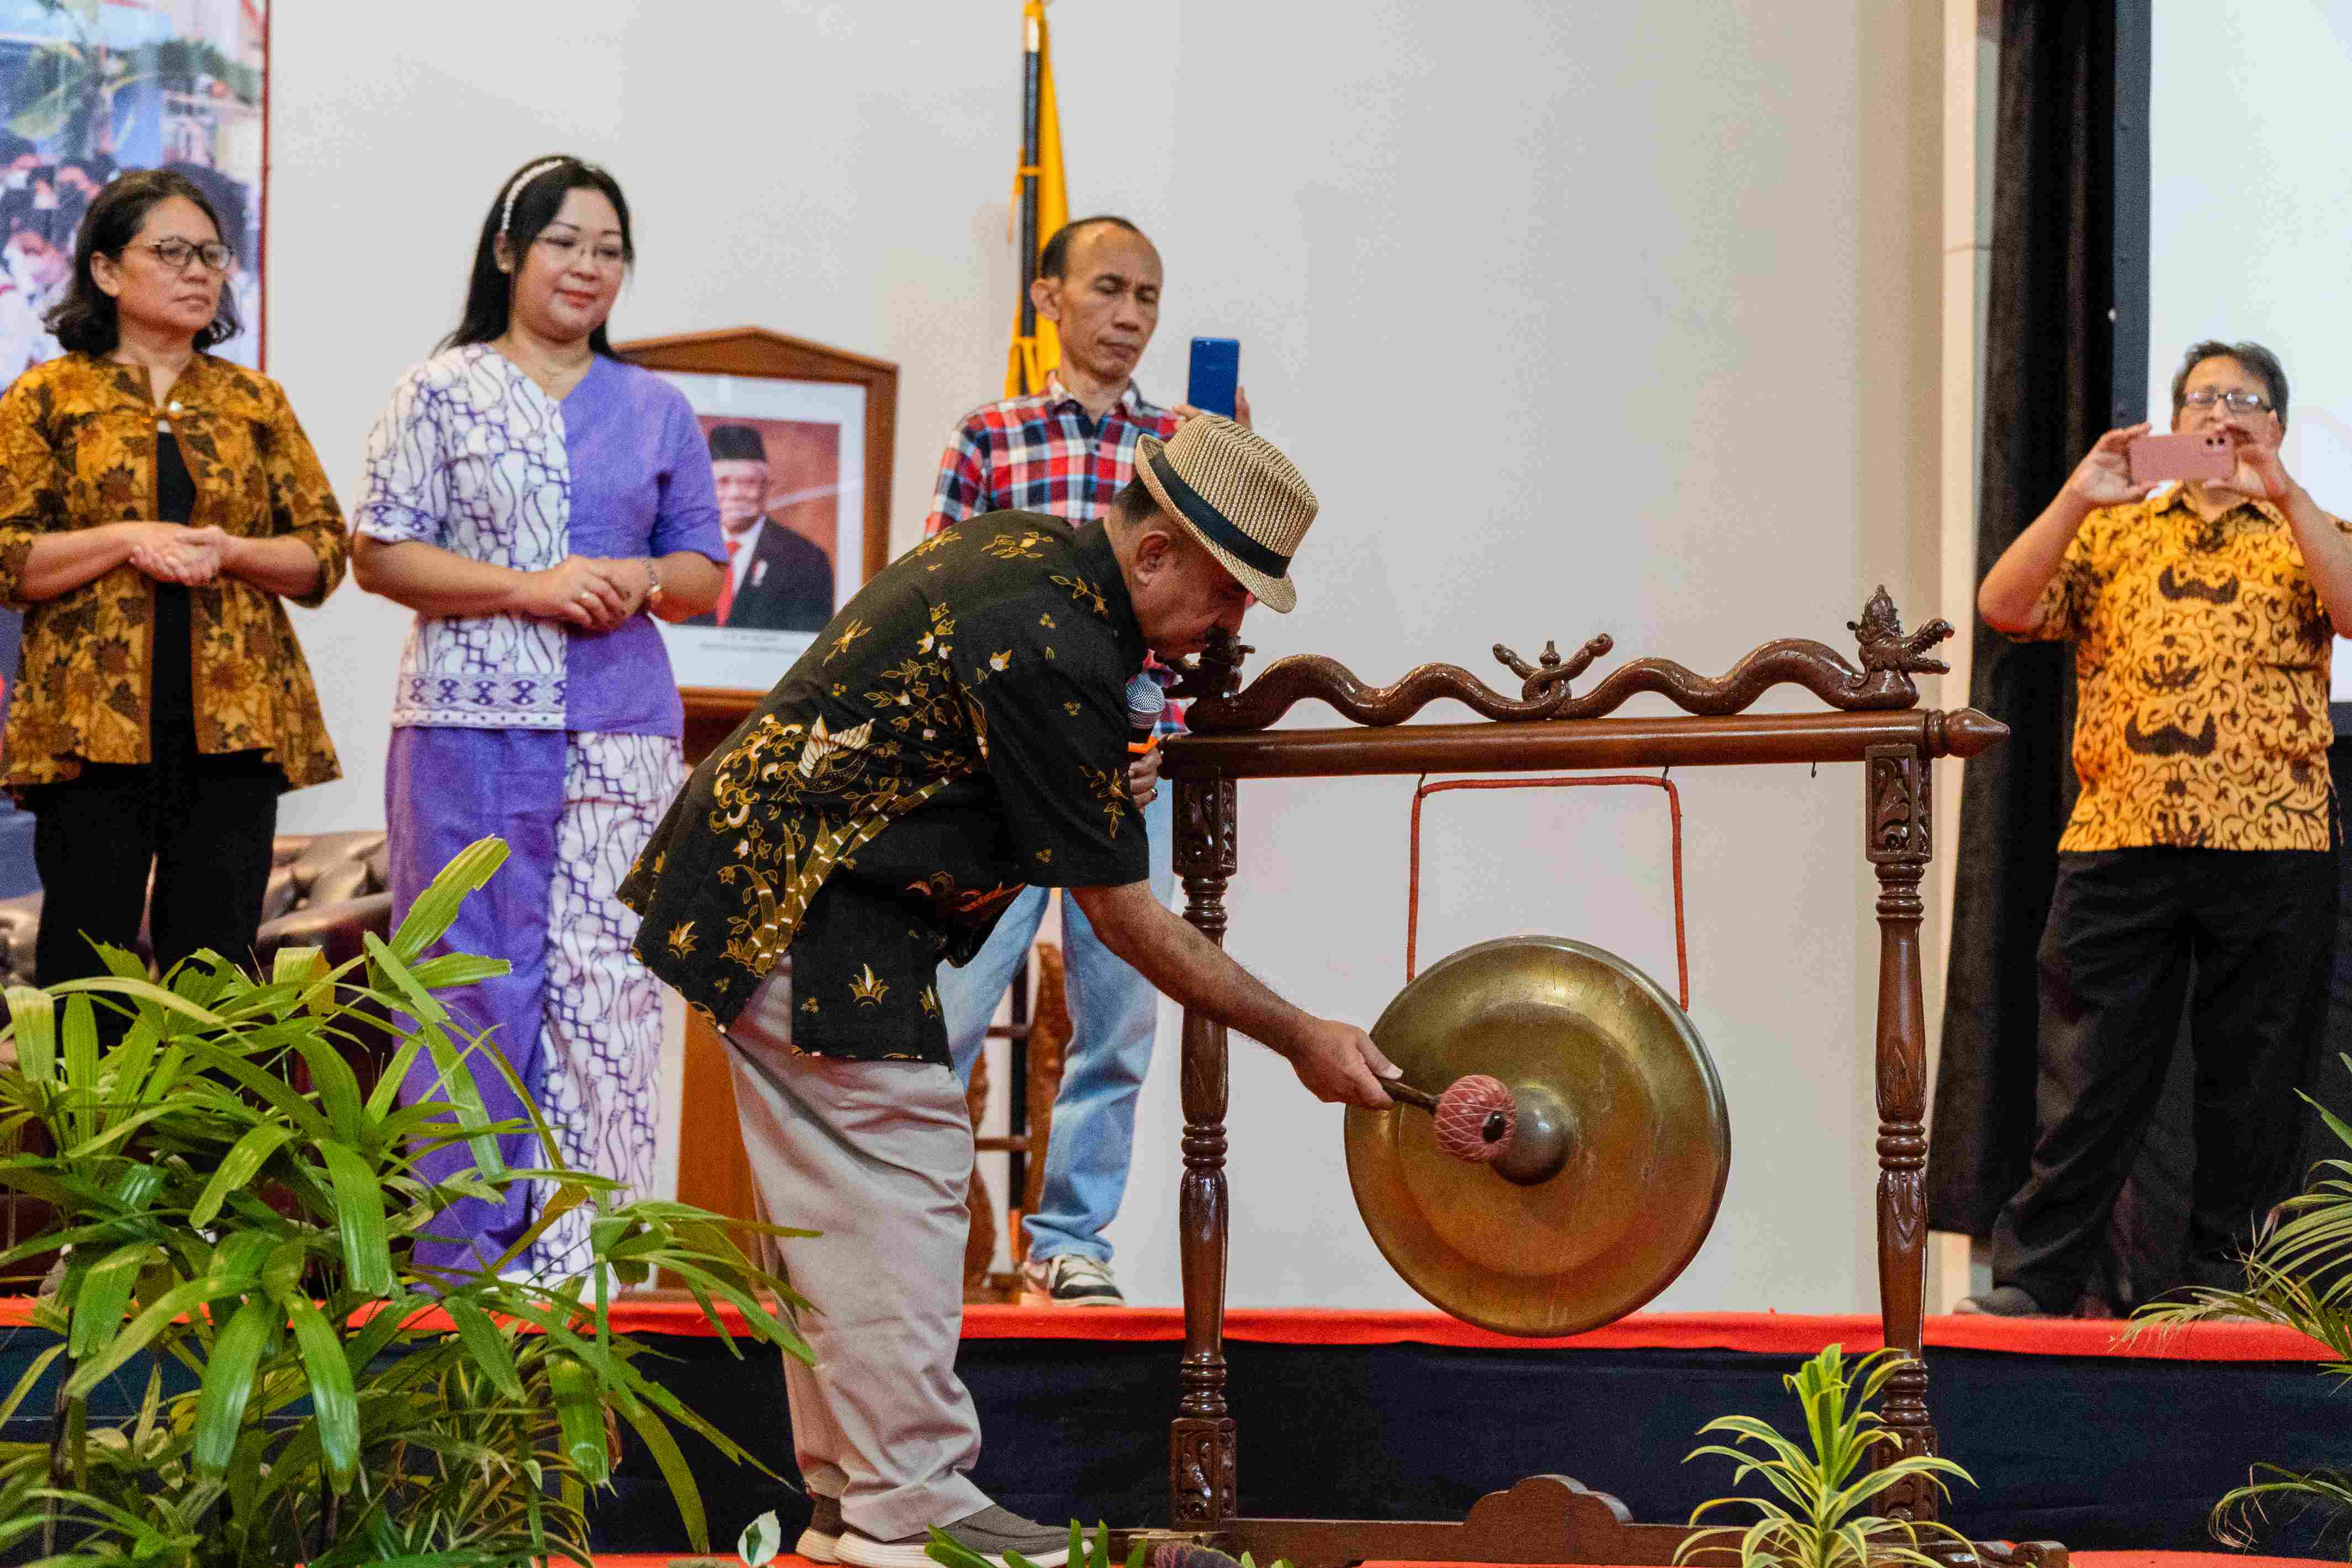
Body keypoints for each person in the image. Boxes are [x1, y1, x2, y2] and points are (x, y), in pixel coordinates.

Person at [621, 415, 1392, 1568]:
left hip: (788, 889)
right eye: (1233, 594)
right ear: (1156, 556)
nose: (1233, 625)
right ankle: (909, 1507)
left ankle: (853, 1506)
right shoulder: (1049, 639)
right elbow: (1121, 913)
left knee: (843, 1209)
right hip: (812, 903)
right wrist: (1304, 1037)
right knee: (905, 1178)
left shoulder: (1035, 560)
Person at [351, 155, 727, 1284]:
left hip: (619, 729)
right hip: (463, 725)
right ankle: (458, 1264)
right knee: (464, 982)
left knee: (606, 985)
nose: (589, 267)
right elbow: (377, 552)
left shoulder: (658, 406)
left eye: (610, 250)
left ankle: (586, 1261)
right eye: (566, 241)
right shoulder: (438, 388)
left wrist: (635, 575)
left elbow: (703, 572)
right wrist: (530, 586)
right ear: (509, 250)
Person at [1966, 339, 2352, 1317]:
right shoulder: (2115, 529)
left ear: (2277, 422)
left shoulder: (2308, 529)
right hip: (2122, 835)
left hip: (2274, 843)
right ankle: (2041, 1277)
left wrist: (2286, 493)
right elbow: (2004, 605)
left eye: (2245, 399)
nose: (2220, 413)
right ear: (2174, 423)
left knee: (2254, 1086)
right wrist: (2078, 494)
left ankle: (2229, 1295)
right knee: (2088, 1074)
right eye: (2201, 398)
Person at [924, 214, 1251, 1306]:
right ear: (1049, 296)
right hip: (1004, 772)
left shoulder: (1187, 448)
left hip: (1136, 770)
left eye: (1149, 297)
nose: (1129, 316)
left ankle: (1073, 1239)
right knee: (950, 1007)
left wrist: (1239, 464)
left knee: (1116, 1015)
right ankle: (920, 1225)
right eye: (1107, 288)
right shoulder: (991, 436)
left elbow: (1212, 612)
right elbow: (941, 603)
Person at [0, 168, 346, 990]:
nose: (199, 270)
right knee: (86, 965)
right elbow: (9, 555)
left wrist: (227, 550)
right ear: (107, 271)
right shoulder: (47, 397)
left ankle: (205, 1126)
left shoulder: (254, 401)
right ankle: (88, 1124)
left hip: (232, 728)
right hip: (92, 727)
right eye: (172, 251)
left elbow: (324, 551)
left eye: (212, 254)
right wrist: (127, 538)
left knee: (217, 968)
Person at [684, 422, 834, 631]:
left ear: (767, 488)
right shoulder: (683, 551)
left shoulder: (806, 561)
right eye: (723, 482)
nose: (736, 494)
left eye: (748, 483)